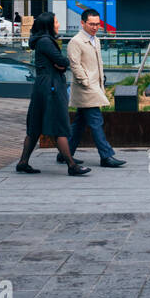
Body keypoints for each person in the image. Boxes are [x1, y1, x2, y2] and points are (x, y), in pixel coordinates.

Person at [16, 12, 90, 176]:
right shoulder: (46, 41)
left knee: (35, 126)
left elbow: (59, 63)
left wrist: (60, 65)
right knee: (59, 125)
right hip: (51, 86)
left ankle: (23, 162)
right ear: (49, 25)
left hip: (42, 85)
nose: (58, 24)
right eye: (56, 21)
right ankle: (71, 165)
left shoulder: (40, 41)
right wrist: (61, 65)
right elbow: (63, 61)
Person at [63, 9, 125, 168]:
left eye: (97, 24)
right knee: (96, 121)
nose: (95, 27)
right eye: (91, 24)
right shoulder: (76, 41)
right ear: (82, 23)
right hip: (86, 88)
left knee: (79, 123)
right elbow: (75, 65)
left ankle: (65, 154)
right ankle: (106, 156)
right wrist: (86, 82)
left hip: (94, 85)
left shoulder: (95, 39)